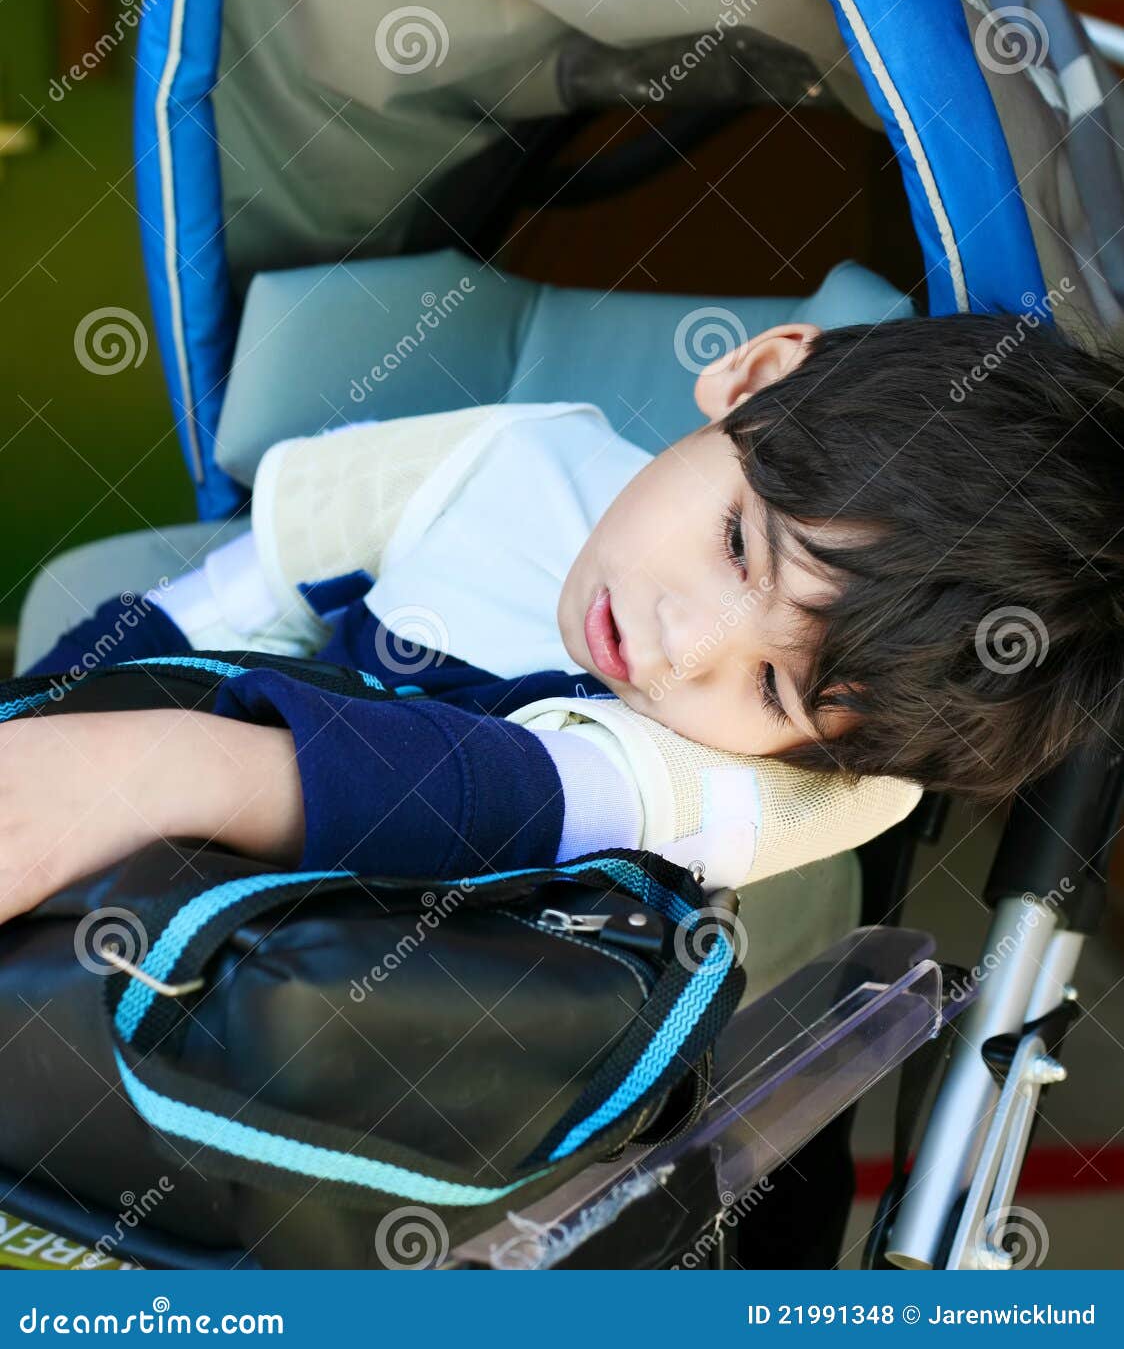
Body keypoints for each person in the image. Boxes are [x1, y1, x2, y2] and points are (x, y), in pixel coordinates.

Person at [2, 311, 1121, 926]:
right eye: (737, 541)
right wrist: (43, 724)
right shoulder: (500, 456)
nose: (687, 646)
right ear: (754, 372)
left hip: (380, 975)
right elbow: (221, 599)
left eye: (773, 685)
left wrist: (172, 767)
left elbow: (517, 794)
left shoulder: (827, 779)